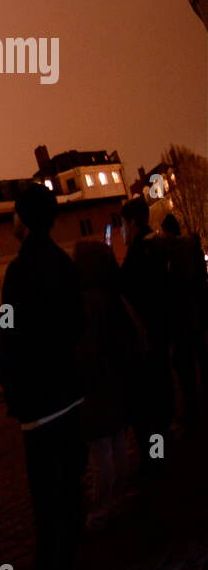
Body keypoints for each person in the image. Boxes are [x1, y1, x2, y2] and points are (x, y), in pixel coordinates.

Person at [0, 183, 86, 570]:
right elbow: (77, 325)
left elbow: (8, 329)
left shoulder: (18, 272)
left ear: (25, 219)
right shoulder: (65, 265)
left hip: (40, 404)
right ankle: (73, 559)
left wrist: (10, 381)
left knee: (47, 491)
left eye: (15, 213)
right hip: (70, 394)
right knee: (70, 484)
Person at [72, 241, 141, 531]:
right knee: (117, 443)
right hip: (116, 381)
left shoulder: (87, 302)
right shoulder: (114, 296)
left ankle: (102, 509)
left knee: (101, 449)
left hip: (97, 385)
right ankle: (117, 498)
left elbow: (86, 348)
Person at [119, 197, 174, 474]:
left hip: (145, 345)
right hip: (161, 337)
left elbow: (130, 301)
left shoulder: (137, 257)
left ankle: (156, 460)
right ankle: (161, 452)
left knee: (149, 411)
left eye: (122, 224)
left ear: (132, 223)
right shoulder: (158, 250)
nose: (121, 232)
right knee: (160, 407)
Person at [160, 214, 206, 425]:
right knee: (200, 357)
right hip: (196, 315)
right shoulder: (190, 249)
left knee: (185, 365)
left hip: (184, 319)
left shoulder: (174, 254)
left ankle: (192, 409)